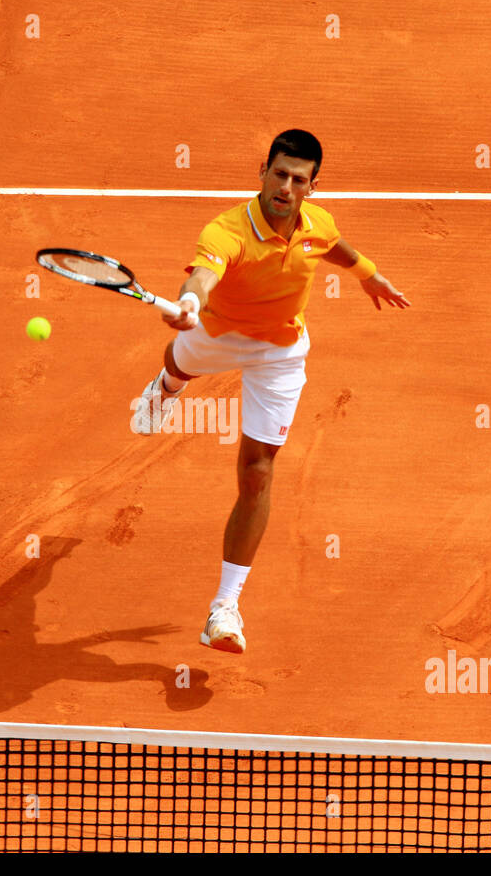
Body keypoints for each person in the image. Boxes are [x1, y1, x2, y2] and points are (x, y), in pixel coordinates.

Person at [131, 129, 411, 653]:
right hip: (218, 330)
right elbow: (201, 278)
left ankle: (224, 608)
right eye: (278, 173)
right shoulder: (226, 231)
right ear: (262, 172)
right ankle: (165, 388)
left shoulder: (316, 222)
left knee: (258, 471)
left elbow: (333, 247)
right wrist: (190, 303)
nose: (285, 187)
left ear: (312, 186)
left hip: (279, 350)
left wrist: (369, 276)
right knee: (180, 363)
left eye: (297, 179)